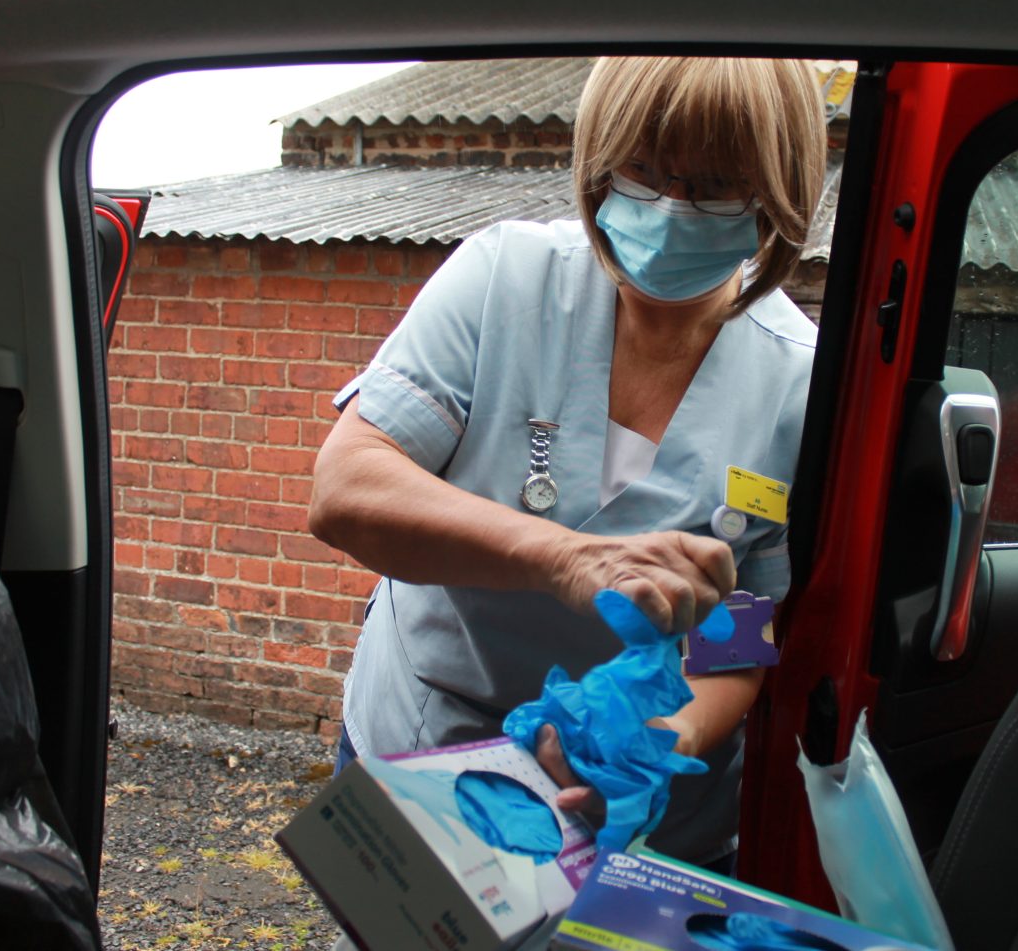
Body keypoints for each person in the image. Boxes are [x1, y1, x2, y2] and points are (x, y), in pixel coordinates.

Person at [310, 56, 826, 869]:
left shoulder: (798, 383)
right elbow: (344, 488)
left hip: (628, 807)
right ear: (599, 162)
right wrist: (569, 558)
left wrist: (658, 741)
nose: (672, 208)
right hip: (433, 741)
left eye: (715, 184)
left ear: (777, 188)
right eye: (645, 170)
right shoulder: (504, 279)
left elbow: (745, 632)